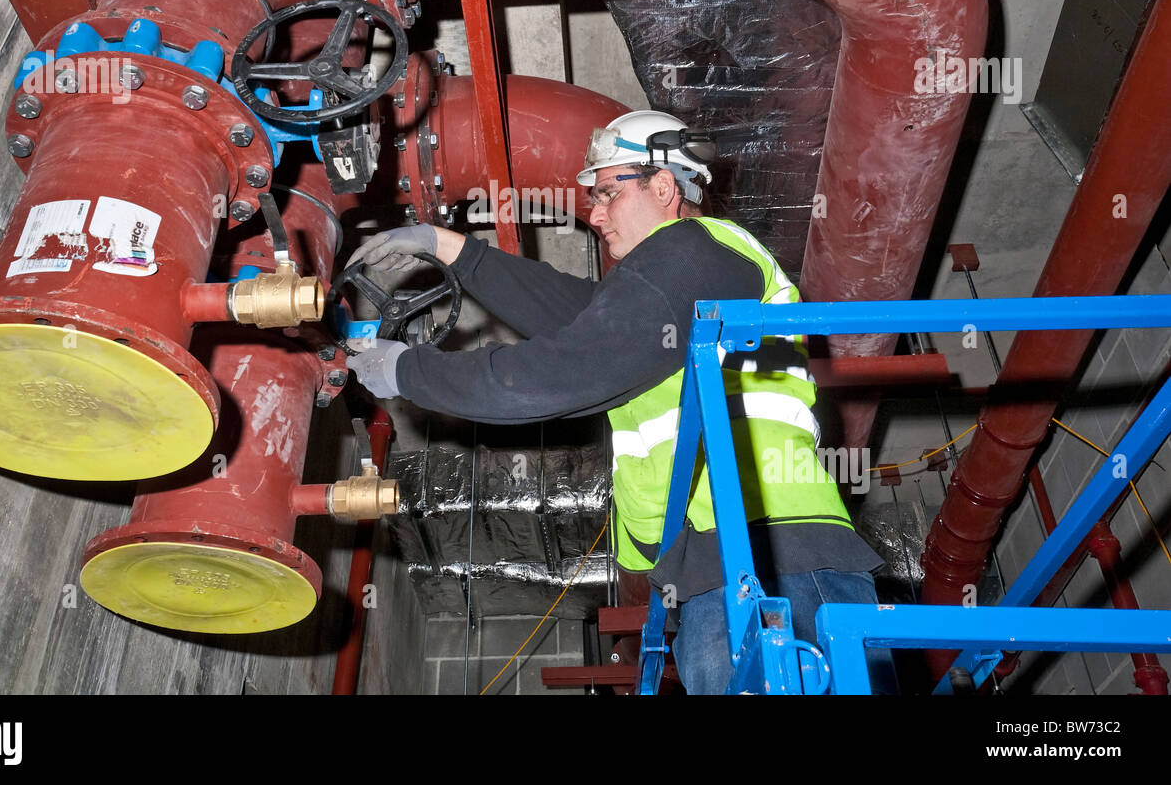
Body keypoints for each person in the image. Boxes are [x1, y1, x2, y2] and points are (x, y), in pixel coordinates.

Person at [347, 110, 895, 694]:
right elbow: (578, 313)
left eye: (608, 191)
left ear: (663, 186)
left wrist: (410, 370)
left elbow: (566, 370)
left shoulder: (695, 252)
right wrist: (455, 250)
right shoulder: (677, 283)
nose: (595, 212)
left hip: (772, 555)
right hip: (722, 564)